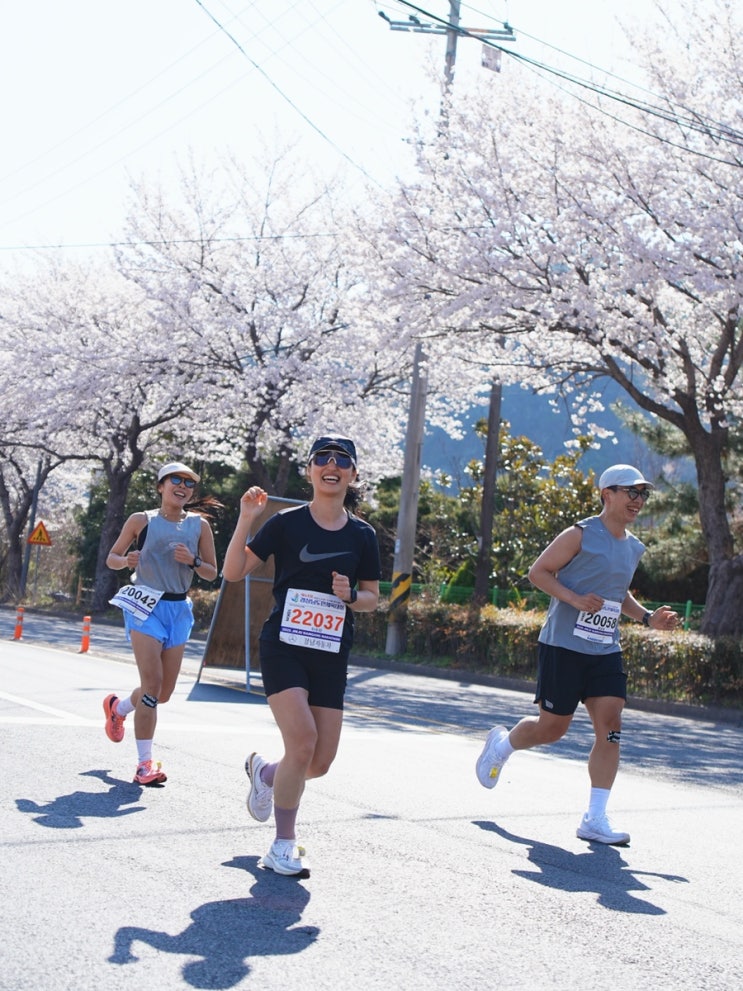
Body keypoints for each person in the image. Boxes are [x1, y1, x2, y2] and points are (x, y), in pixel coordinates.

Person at [475, 464, 679, 845]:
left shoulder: (633, 546)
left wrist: (649, 618)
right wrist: (575, 599)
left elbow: (620, 596)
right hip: (564, 645)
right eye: (630, 492)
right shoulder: (581, 534)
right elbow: (539, 572)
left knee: (612, 726)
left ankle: (595, 818)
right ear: (607, 494)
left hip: (605, 648)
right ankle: (501, 747)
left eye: (643, 494)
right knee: (552, 728)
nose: (637, 500)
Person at [222, 436, 381, 877]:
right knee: (303, 742)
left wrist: (352, 597)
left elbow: (372, 597)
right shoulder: (286, 523)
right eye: (322, 460)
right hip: (284, 647)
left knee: (320, 762)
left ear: (352, 474)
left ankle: (268, 775)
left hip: (331, 652)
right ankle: (282, 844)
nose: (332, 466)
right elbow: (233, 572)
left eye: (342, 460)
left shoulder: (363, 535)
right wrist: (246, 519)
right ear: (309, 470)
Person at [103, 462, 219, 785]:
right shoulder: (142, 520)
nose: (182, 487)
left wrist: (193, 561)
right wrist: (126, 560)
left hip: (178, 608)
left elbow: (212, 571)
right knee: (152, 681)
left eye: (189, 483)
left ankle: (119, 707)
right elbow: (111, 557)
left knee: (162, 693)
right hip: (145, 605)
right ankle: (144, 765)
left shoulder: (200, 527)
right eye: (175, 481)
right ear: (160, 486)